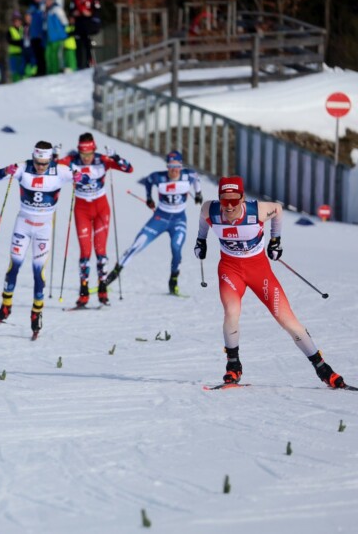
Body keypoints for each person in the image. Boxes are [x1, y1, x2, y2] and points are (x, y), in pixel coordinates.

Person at [194, 176, 347, 388]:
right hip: (230, 269)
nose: (228, 206)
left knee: (287, 320)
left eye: (234, 200)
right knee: (231, 312)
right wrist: (201, 240)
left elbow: (278, 209)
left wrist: (276, 240)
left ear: (242, 198)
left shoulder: (256, 211)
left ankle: (323, 369)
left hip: (259, 270)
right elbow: (203, 219)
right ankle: (233, 366)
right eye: (224, 200)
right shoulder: (210, 209)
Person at [0, 141, 79, 336]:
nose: (40, 167)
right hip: (23, 224)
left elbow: (86, 179)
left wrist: (80, 176)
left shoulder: (61, 170)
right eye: (37, 162)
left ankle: (36, 313)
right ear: (33, 158)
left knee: (38, 272)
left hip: (44, 229)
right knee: (14, 266)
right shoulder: (23, 167)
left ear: (50, 160)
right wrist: (6, 170)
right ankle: (6, 306)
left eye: (44, 163)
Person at [103, 150, 202, 295]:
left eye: (177, 166)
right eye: (170, 166)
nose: (174, 170)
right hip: (159, 218)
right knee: (137, 245)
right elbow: (148, 181)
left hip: (178, 220)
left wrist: (198, 194)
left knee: (176, 249)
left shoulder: (188, 175)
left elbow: (196, 179)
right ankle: (111, 276)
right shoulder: (158, 177)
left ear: (181, 166)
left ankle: (173, 281)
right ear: (166, 166)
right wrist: (149, 198)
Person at [57, 133, 133, 307]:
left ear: (94, 150)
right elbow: (52, 168)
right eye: (83, 154)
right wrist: (54, 157)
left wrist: (116, 157)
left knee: (101, 251)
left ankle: (102, 289)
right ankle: (83, 292)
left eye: (89, 154)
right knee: (85, 252)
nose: (86, 158)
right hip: (82, 209)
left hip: (101, 209)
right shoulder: (71, 160)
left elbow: (129, 169)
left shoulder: (102, 160)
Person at [70, 0, 100, 69]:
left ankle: (89, 62)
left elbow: (97, 10)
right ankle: (80, 64)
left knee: (88, 45)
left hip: (88, 25)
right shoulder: (75, 0)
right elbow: (71, 11)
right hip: (79, 25)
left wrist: (90, 14)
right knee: (79, 45)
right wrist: (73, 14)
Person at [44, 0, 69, 75]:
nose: (46, 2)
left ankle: (57, 70)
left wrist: (64, 32)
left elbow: (64, 21)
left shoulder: (56, 9)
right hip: (50, 37)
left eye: (48, 0)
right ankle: (51, 71)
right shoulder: (47, 11)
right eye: (45, 1)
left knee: (57, 55)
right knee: (49, 55)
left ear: (51, 0)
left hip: (58, 36)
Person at [27, 0, 47, 77]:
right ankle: (39, 70)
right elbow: (28, 18)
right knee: (36, 54)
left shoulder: (43, 6)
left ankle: (43, 70)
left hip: (41, 34)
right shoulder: (33, 6)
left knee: (42, 53)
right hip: (34, 34)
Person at [6, 11, 26, 82]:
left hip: (21, 53)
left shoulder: (23, 29)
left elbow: (24, 40)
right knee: (14, 71)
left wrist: (19, 42)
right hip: (13, 54)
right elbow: (10, 41)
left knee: (22, 70)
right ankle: (15, 83)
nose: (17, 22)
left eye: (18, 21)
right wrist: (19, 42)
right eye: (15, 21)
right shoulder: (10, 30)